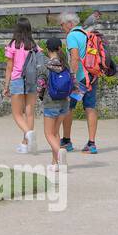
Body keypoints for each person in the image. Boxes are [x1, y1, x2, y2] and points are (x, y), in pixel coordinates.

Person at [59, 11, 99, 154]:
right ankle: (92, 143)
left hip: (80, 78)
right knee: (90, 107)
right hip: (92, 75)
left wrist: (72, 77)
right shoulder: (86, 34)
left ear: (69, 24)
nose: (61, 27)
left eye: (62, 24)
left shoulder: (72, 36)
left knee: (69, 107)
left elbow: (74, 58)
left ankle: (66, 140)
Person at [2, 17, 39, 153]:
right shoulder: (34, 46)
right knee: (29, 113)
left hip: (17, 79)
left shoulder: (13, 45)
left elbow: (9, 67)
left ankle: (28, 134)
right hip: (32, 80)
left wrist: (6, 86)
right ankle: (26, 144)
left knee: (17, 114)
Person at [40, 38, 71, 176]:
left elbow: (40, 84)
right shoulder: (66, 65)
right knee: (56, 133)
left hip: (51, 102)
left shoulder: (46, 65)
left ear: (48, 49)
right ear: (60, 48)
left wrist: (40, 96)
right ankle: (55, 163)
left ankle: (59, 153)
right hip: (64, 102)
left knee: (48, 133)